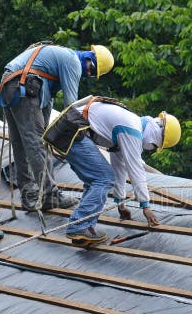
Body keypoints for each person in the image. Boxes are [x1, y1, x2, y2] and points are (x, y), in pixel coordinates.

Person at [45, 96, 181, 245]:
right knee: (103, 179)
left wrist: (120, 203)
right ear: (157, 135)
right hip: (72, 132)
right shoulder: (132, 129)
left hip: (68, 132)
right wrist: (146, 206)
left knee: (96, 180)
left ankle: (85, 229)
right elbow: (136, 170)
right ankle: (78, 226)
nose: (151, 148)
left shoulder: (131, 126)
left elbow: (119, 166)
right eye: (155, 146)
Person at [0, 43, 114, 211]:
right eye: (91, 69)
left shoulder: (59, 59)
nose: (88, 74)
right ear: (89, 58)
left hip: (12, 85)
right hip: (22, 86)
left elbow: (48, 100)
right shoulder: (72, 61)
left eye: (92, 74)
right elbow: (71, 107)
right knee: (36, 144)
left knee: (22, 144)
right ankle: (50, 196)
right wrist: (83, 135)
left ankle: (29, 196)